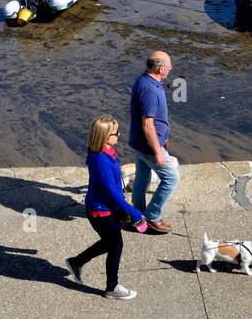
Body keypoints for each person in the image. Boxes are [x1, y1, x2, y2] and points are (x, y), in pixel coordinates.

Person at [66, 116, 147, 299]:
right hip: (101, 211)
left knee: (109, 243)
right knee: (115, 245)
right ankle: (112, 287)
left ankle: (76, 262)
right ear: (104, 136)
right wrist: (134, 213)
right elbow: (112, 193)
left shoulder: (104, 151)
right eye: (115, 132)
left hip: (104, 207)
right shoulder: (101, 161)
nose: (119, 134)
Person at [129, 51, 178, 233]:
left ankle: (137, 213)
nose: (171, 69)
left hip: (141, 143)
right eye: (169, 65)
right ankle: (152, 216)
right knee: (171, 177)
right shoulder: (150, 89)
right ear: (160, 68)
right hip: (149, 145)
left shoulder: (144, 80)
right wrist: (158, 150)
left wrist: (164, 138)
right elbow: (148, 124)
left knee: (142, 177)